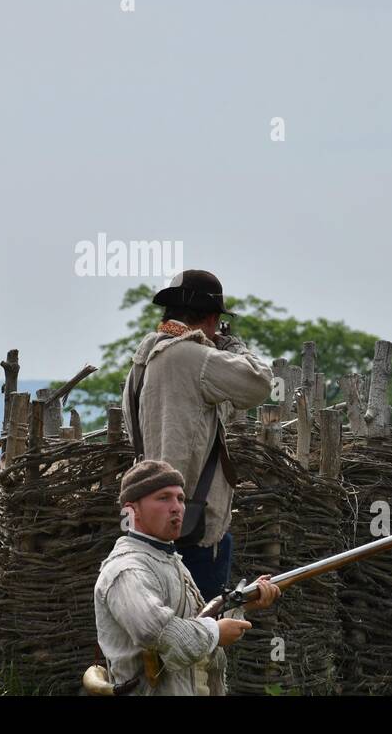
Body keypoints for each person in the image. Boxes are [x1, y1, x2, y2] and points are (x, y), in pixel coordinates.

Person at [122, 269, 274, 599]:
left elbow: (216, 411)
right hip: (193, 524)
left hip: (149, 519)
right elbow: (259, 383)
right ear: (210, 318)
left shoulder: (144, 359)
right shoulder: (193, 356)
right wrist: (234, 347)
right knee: (203, 634)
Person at [93, 460, 280, 695]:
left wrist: (243, 604)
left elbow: (195, 622)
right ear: (132, 511)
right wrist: (216, 632)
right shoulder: (126, 570)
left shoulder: (168, 559)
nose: (177, 507)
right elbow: (163, 634)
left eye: (180, 499)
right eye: (164, 498)